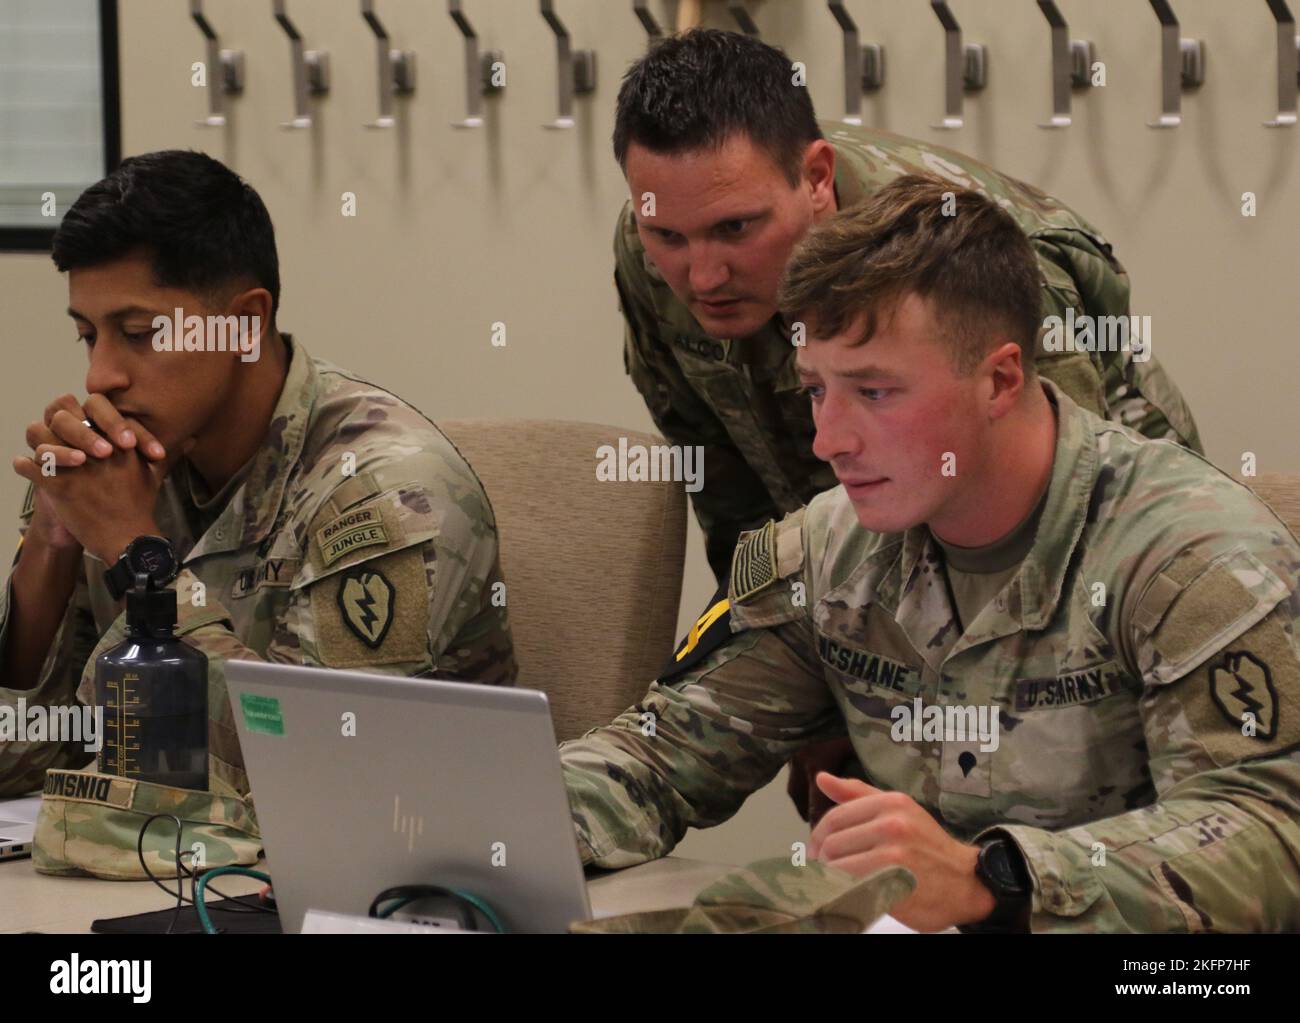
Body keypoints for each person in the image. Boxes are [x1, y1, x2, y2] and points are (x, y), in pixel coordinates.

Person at [561, 176, 1300, 933]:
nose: (829, 440)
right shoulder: (832, 549)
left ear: (1001, 379)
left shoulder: (1186, 553)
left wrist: (998, 877)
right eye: (817, 391)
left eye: (875, 392)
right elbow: (665, 752)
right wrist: (505, 813)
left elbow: (1271, 832)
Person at [612, 28, 1204, 823]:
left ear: (815, 178)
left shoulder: (964, 263)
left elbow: (1052, 524)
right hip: (874, 552)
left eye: (736, 230)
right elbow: (728, 496)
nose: (702, 274)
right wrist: (811, 686)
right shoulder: (658, 247)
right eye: (668, 237)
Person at [0, 150, 516, 799]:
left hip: (390, 882)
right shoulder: (116, 472)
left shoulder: (383, 490)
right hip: (175, 870)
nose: (100, 375)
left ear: (244, 326)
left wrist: (137, 555)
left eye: (140, 333)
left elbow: (317, 776)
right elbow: (18, 763)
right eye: (87, 336)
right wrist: (49, 545)